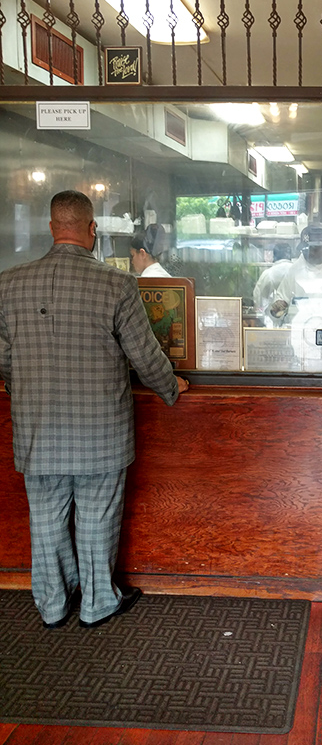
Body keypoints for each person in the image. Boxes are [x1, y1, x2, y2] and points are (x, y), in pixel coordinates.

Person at [0, 191, 189, 630]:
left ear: (51, 228)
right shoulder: (116, 284)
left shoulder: (9, 284)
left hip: (36, 427)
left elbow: (5, 356)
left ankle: (51, 603)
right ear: (92, 230)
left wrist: (20, 387)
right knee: (96, 514)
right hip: (99, 430)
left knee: (45, 516)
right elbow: (144, 356)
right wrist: (171, 388)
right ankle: (97, 602)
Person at [269, 223, 322, 327]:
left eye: (314, 249)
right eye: (306, 249)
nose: (310, 253)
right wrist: (278, 307)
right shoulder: (295, 269)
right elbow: (280, 302)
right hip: (301, 334)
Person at [252, 242, 293, 319]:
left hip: (272, 322)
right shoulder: (298, 272)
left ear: (274, 256)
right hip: (295, 322)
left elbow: (258, 298)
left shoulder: (268, 274)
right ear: (290, 256)